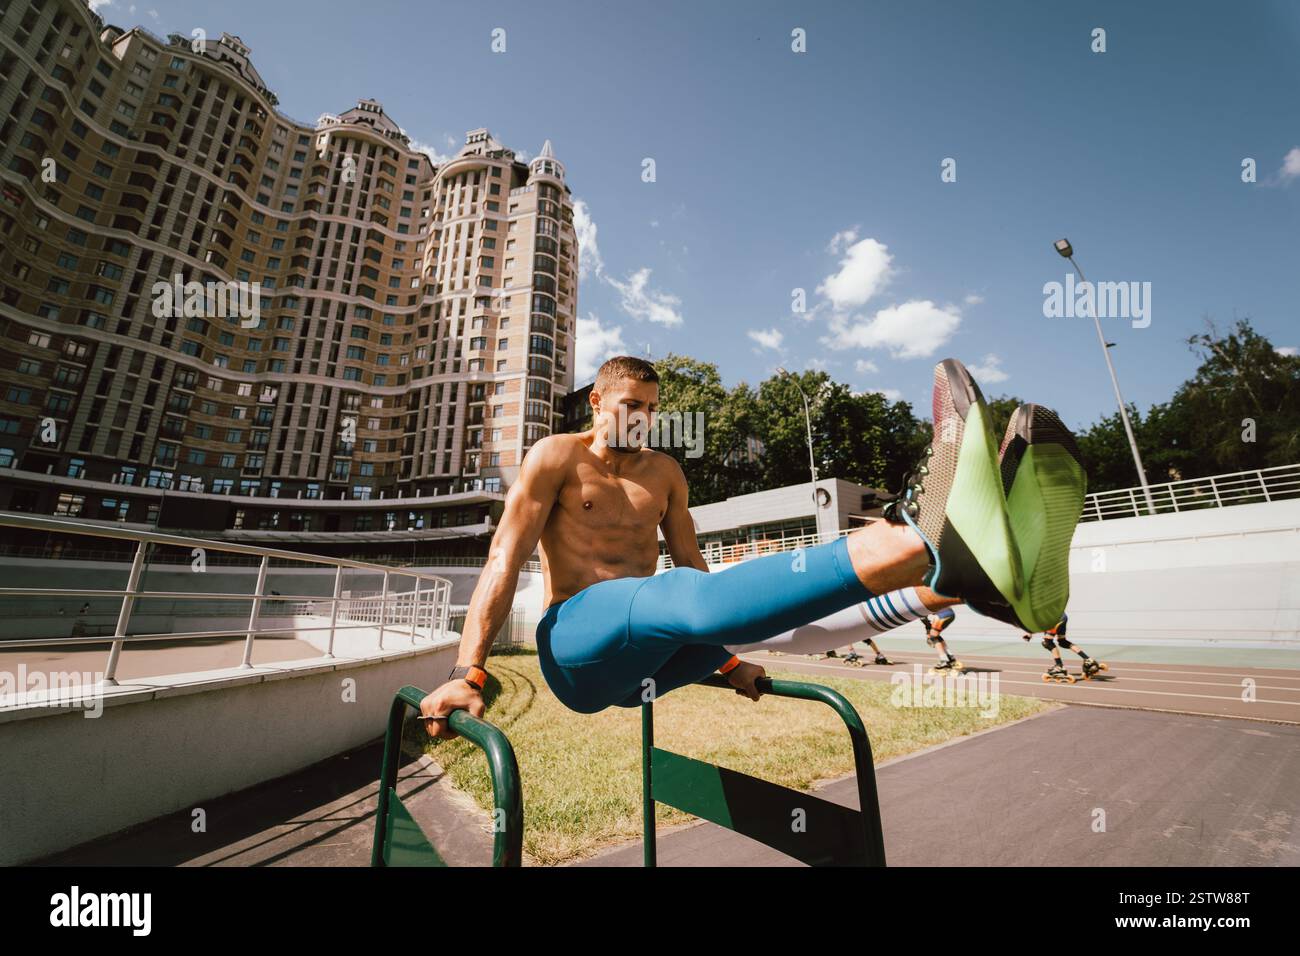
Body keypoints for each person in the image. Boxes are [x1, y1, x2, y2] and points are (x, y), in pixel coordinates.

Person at [420, 356, 1086, 733]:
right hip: (577, 650)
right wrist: (466, 670)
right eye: (627, 403)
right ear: (596, 400)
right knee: (673, 598)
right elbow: (502, 562)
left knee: (763, 620)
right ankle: (917, 533)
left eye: (651, 407)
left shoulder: (665, 474)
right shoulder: (554, 457)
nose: (640, 418)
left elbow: (694, 572)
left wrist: (728, 661)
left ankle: (961, 580)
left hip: (648, 667)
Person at [1026, 612, 1107, 682]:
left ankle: (1059, 666)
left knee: (1047, 642)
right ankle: (1088, 660)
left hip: (1054, 619)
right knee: (1063, 642)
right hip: (1062, 616)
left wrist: (1029, 633)